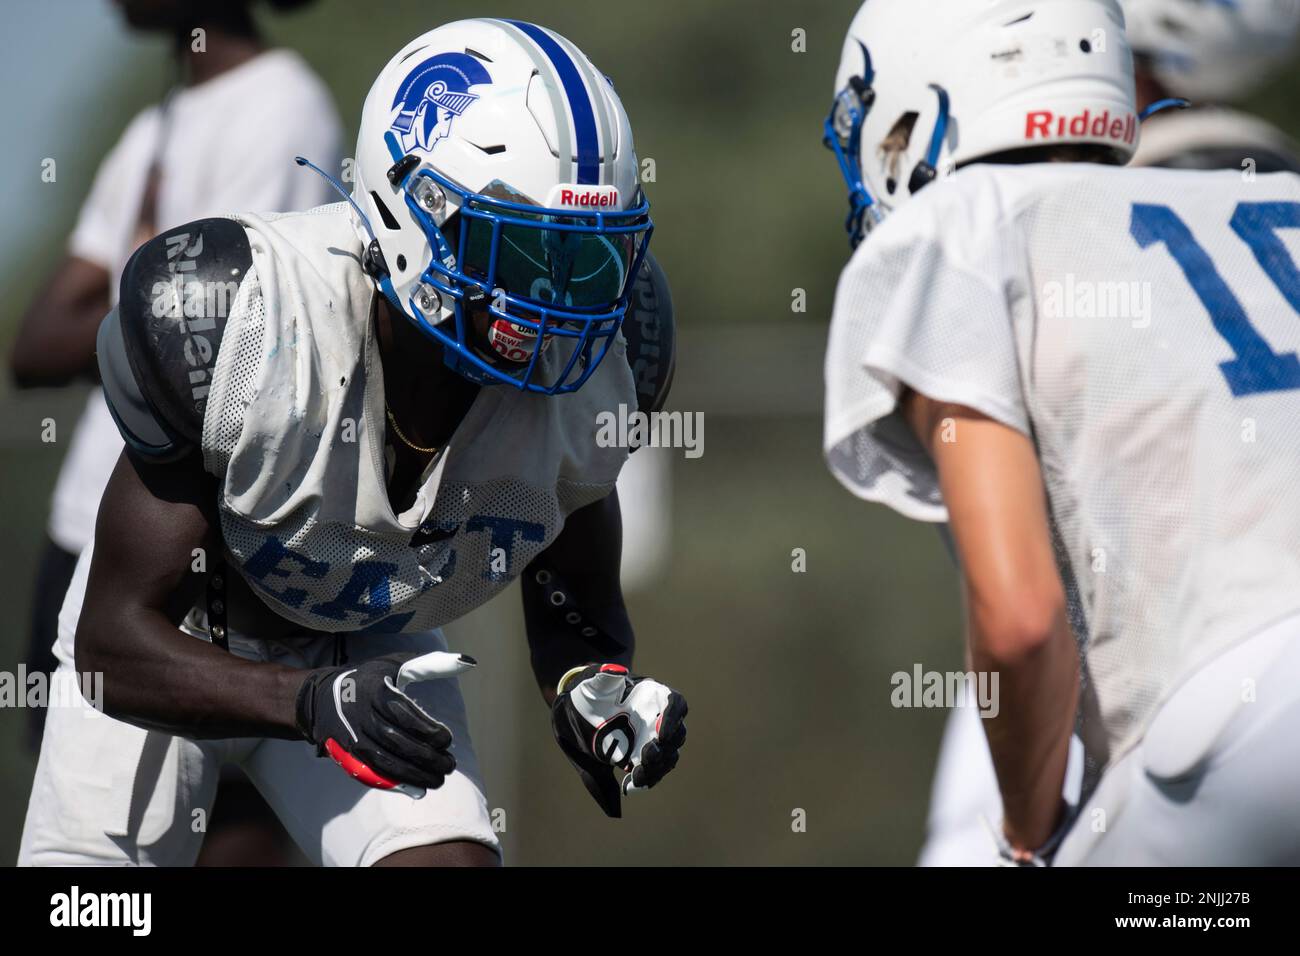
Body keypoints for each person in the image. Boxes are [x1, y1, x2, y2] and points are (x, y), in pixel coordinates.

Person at [18, 17, 686, 868]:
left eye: (583, 258)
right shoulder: (242, 317)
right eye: (521, 249)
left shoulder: (608, 366)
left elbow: (575, 609)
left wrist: (594, 690)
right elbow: (113, 643)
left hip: (363, 644)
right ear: (412, 217)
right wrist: (304, 702)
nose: (558, 303)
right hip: (183, 638)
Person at [821, 0, 1300, 865]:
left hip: (1243, 717)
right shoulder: (1274, 196)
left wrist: (1025, 840)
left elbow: (1021, 622)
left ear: (922, 107)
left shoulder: (964, 228)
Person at [10, 0, 340, 864]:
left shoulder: (283, 107)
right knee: (95, 850)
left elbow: (220, 333)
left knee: (230, 835)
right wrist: (146, 293)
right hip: (88, 530)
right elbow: (36, 343)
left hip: (200, 547)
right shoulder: (157, 123)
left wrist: (135, 286)